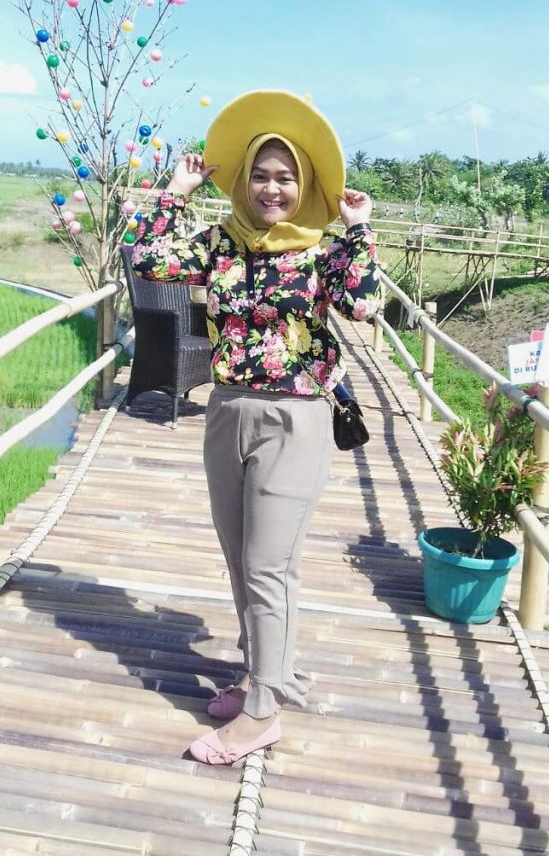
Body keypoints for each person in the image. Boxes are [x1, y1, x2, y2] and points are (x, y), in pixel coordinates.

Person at [131, 90, 379, 765]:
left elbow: (363, 305)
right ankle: (256, 676)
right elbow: (151, 262)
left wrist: (356, 230)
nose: (272, 188)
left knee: (270, 566)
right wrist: (175, 193)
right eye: (261, 175)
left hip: (295, 418)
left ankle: (262, 714)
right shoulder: (221, 244)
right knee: (244, 562)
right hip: (227, 409)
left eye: (286, 175)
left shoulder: (323, 254)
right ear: (244, 182)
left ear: (305, 185)